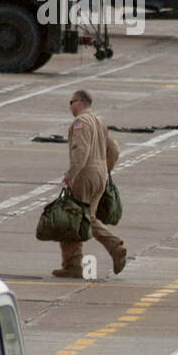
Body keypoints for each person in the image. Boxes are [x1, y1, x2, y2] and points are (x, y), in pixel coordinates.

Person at [52, 89, 126, 278]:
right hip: (100, 174)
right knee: (80, 218)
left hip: (84, 174)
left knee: (78, 217)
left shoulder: (81, 122)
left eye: (71, 103)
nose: (70, 107)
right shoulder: (99, 121)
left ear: (78, 102)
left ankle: (113, 245)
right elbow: (114, 149)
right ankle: (73, 265)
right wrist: (106, 169)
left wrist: (71, 174)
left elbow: (81, 150)